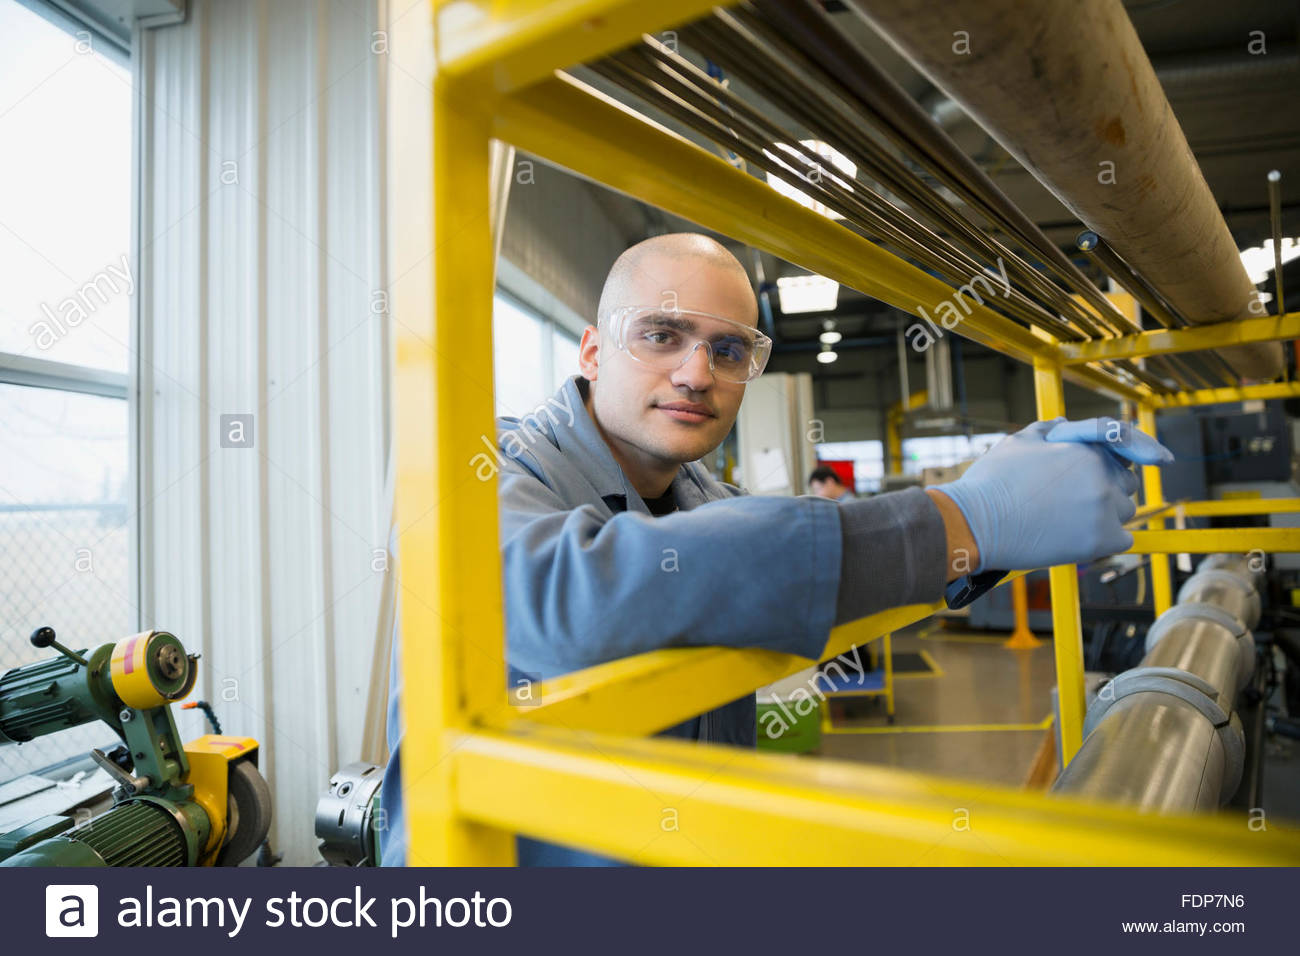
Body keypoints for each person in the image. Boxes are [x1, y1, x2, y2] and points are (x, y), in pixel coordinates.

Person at [380, 233, 1172, 866]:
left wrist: (1005, 506)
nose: (697, 373)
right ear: (591, 351)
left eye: (729, 351)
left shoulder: (699, 493)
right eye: (662, 334)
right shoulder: (480, 472)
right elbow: (574, 594)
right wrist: (966, 518)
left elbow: (803, 571)